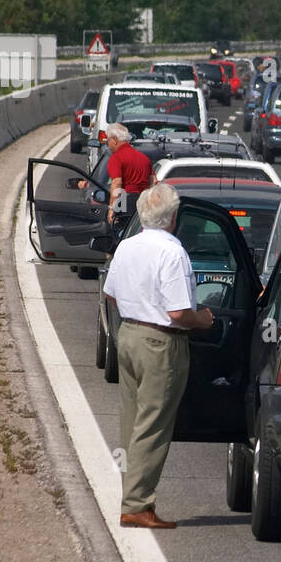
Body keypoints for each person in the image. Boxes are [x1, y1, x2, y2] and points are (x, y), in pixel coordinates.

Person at [103, 183, 215, 528]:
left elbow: (111, 295)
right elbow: (180, 313)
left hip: (129, 335)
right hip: (160, 343)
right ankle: (137, 504)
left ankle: (131, 495)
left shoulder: (127, 246)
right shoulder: (172, 252)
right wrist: (205, 320)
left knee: (133, 419)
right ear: (173, 217)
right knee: (153, 424)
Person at [104, 124, 154, 225]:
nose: (107, 144)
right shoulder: (143, 158)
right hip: (145, 204)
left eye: (107, 141)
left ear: (114, 140)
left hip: (126, 204)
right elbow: (153, 181)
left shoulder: (116, 158)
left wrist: (111, 209)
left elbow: (117, 183)